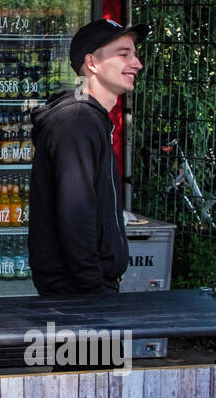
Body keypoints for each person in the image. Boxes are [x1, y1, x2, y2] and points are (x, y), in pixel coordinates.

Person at [28, 18, 145, 297]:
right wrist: (94, 291)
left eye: (135, 53)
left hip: (83, 291)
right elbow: (75, 214)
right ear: (91, 63)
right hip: (79, 296)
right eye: (124, 53)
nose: (137, 63)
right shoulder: (78, 120)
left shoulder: (87, 118)